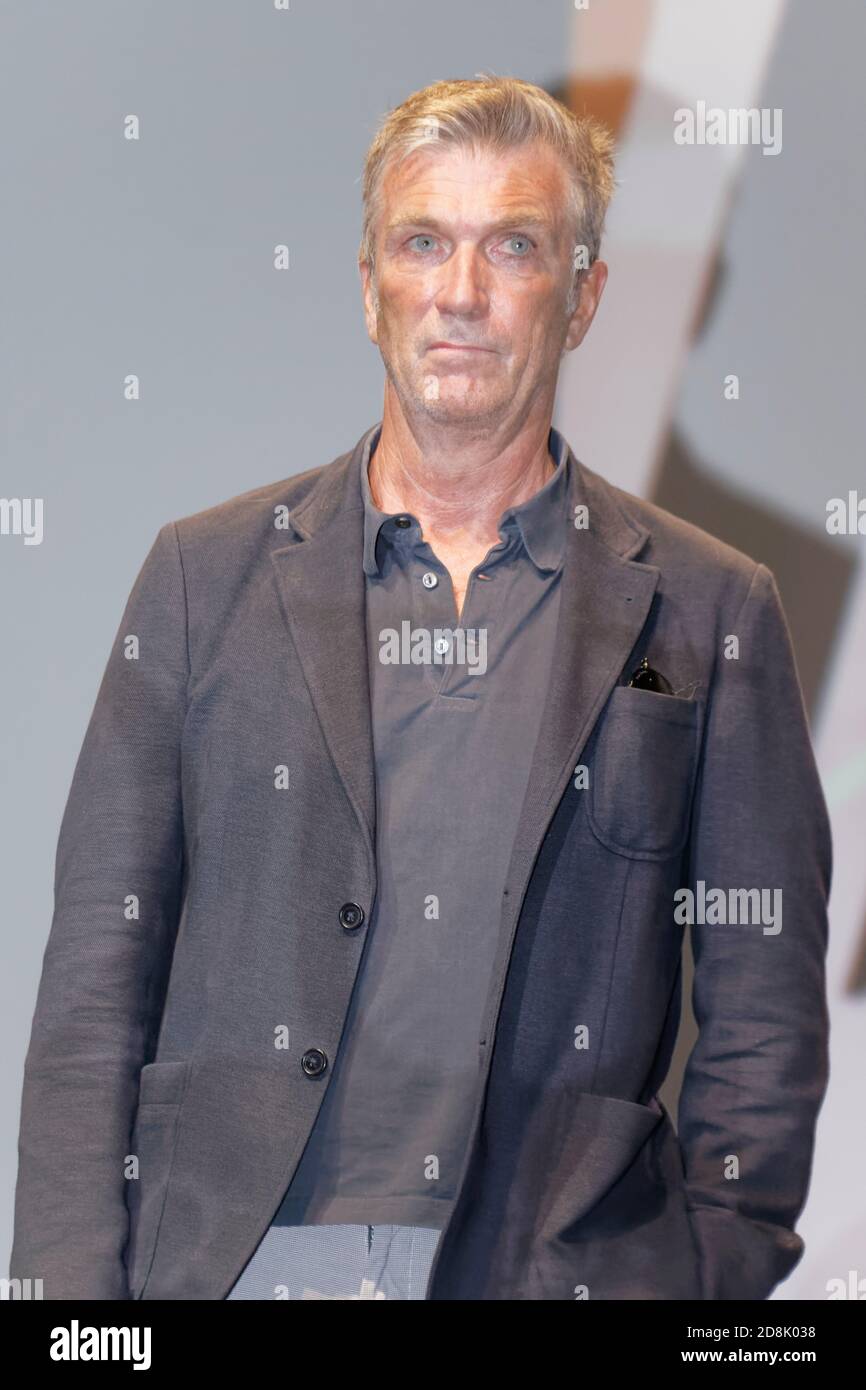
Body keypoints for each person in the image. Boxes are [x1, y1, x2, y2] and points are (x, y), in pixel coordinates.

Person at [10, 75, 830, 1301]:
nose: (459, 294)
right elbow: (94, 984)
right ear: (367, 285)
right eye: (421, 242)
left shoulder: (710, 609)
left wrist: (699, 1280)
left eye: (514, 246)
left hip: (551, 1270)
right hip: (225, 1262)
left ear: (583, 295)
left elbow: (764, 1016)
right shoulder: (202, 577)